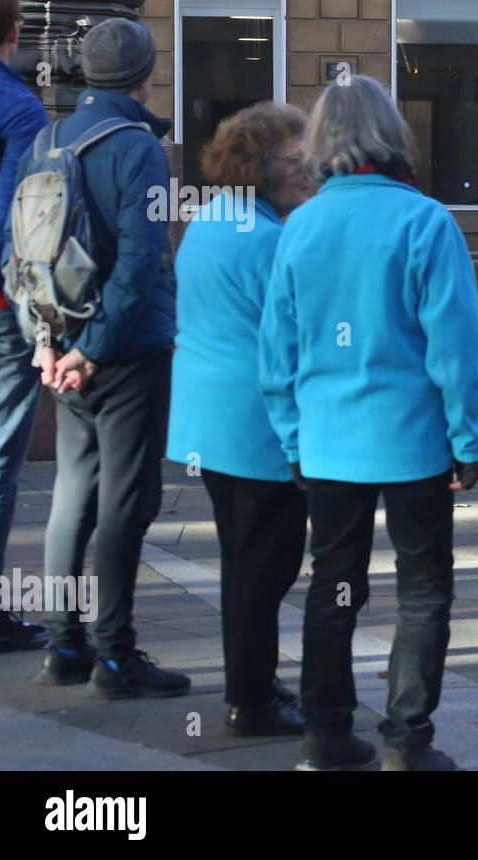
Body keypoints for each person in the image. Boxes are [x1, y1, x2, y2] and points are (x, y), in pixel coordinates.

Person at [260, 75, 478, 772]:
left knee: (334, 587)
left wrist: (292, 436)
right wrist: (468, 439)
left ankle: (324, 736)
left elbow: (279, 350)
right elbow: (453, 346)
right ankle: (406, 743)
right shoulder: (425, 221)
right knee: (422, 591)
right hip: (413, 441)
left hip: (329, 444)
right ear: (392, 135)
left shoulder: (300, 226)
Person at [27, 18, 188, 697]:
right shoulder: (138, 147)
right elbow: (142, 264)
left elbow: (23, 253)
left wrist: (49, 344)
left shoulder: (47, 136)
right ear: (144, 76)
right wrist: (95, 351)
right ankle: (116, 655)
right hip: (125, 354)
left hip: (61, 348)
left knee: (72, 496)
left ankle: (65, 646)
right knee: (125, 502)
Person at [166, 102, 314, 736]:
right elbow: (298, 342)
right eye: (296, 159)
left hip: (210, 422)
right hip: (256, 427)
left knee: (244, 561)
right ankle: (251, 702)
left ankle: (251, 680)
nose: (309, 169)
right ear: (261, 167)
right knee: (266, 567)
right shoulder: (270, 240)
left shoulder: (211, 220)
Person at [0, 0, 50, 653]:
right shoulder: (19, 110)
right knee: (0, 456)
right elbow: (18, 228)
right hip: (1, 306)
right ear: (13, 33)